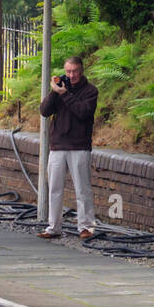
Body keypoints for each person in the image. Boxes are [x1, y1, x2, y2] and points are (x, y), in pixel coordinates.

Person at [39, 56, 99, 239]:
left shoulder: (90, 91)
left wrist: (65, 94)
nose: (71, 75)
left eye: (75, 71)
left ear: (81, 71)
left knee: (82, 188)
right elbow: (44, 111)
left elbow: (83, 112)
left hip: (79, 146)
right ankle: (53, 226)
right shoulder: (59, 91)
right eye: (68, 72)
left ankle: (86, 226)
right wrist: (54, 92)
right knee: (55, 188)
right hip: (58, 145)